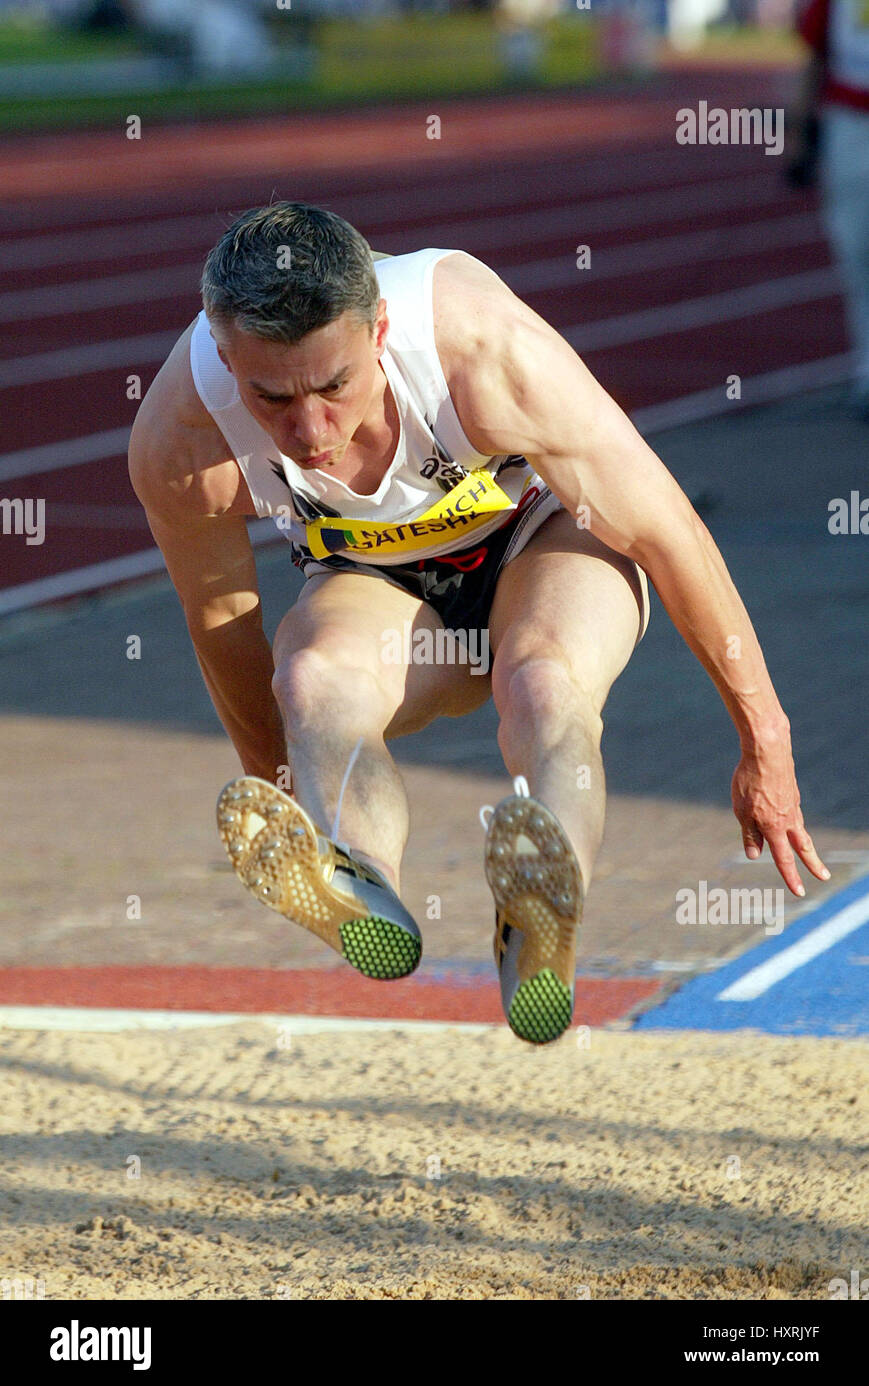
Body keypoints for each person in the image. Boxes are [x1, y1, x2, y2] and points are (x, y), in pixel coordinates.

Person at [128, 202, 830, 1045]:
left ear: (379, 328)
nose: (308, 430)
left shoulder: (484, 350)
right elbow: (221, 624)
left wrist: (765, 739)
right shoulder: (181, 430)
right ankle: (358, 878)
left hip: (543, 537)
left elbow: (666, 533)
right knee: (312, 679)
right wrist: (286, 793)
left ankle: (543, 912)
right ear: (220, 343)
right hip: (375, 583)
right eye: (271, 396)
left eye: (333, 386)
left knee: (540, 683)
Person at [788, 0, 869, 417]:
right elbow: (815, 58)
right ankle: (866, 376)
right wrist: (799, 134)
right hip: (850, 123)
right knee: (856, 252)